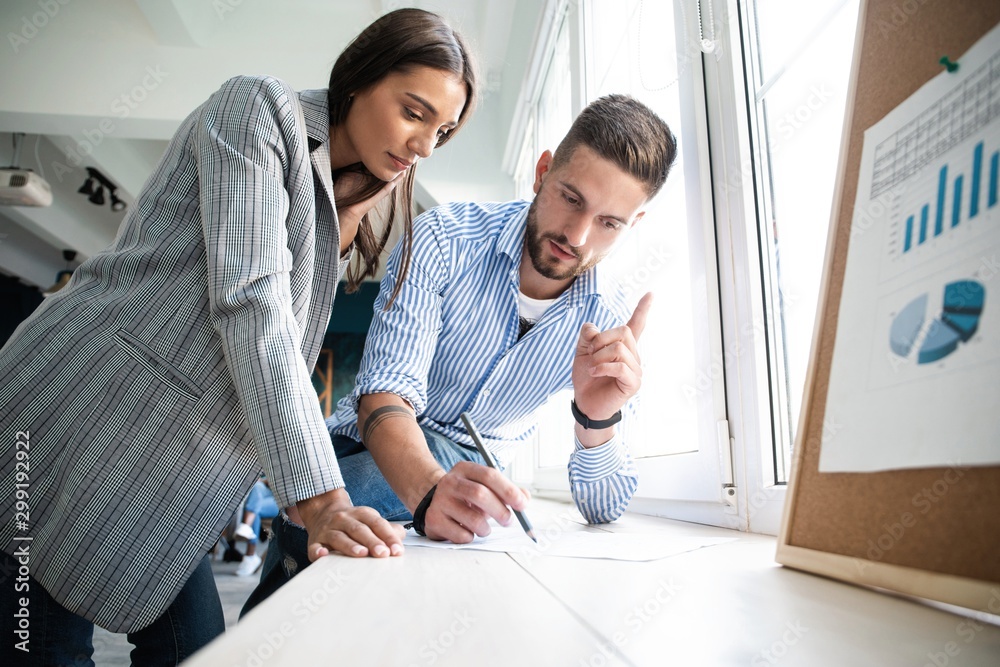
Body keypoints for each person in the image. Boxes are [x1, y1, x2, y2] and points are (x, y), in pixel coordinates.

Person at [0, 8, 476, 665]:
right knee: (45, 642)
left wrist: (350, 204)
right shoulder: (257, 109)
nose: (425, 145)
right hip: (77, 415)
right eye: (414, 111)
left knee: (195, 646)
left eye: (442, 130)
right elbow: (250, 301)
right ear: (361, 77)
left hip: (168, 470)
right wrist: (323, 498)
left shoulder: (351, 192)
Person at [243, 93, 677, 612]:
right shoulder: (445, 237)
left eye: (610, 223)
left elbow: (604, 509)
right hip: (366, 446)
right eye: (571, 198)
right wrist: (426, 488)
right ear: (542, 171)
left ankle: (264, 627)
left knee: (334, 506)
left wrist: (596, 417)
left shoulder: (611, 317)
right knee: (330, 486)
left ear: (635, 225)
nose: (578, 235)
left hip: (469, 479)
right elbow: (385, 393)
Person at [233, 479, 280, 577]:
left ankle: (250, 554)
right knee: (256, 487)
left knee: (254, 509)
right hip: (269, 493)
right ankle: (249, 556)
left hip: (286, 499)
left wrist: (268, 480)